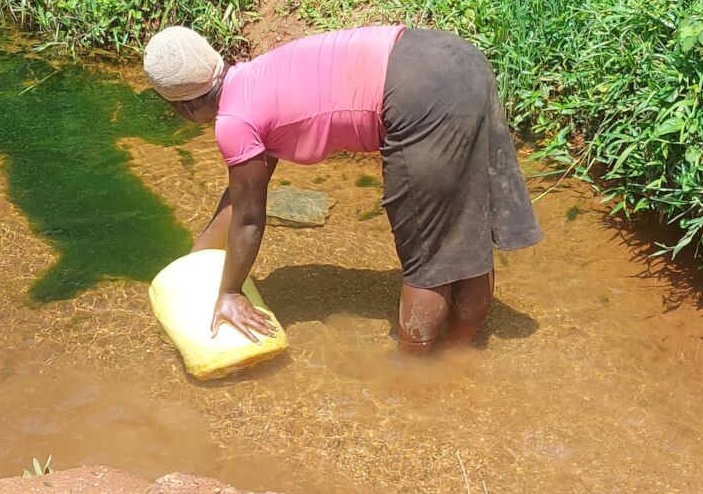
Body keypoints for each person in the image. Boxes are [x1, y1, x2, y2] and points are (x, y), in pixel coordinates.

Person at [142, 24, 542, 352]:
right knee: (466, 228)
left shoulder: (234, 122)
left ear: (183, 105)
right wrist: (190, 271)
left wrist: (230, 292)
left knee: (428, 255)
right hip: (451, 57)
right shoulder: (256, 75)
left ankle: (418, 376)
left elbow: (248, 219)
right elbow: (238, 197)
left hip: (417, 94)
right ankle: (461, 357)